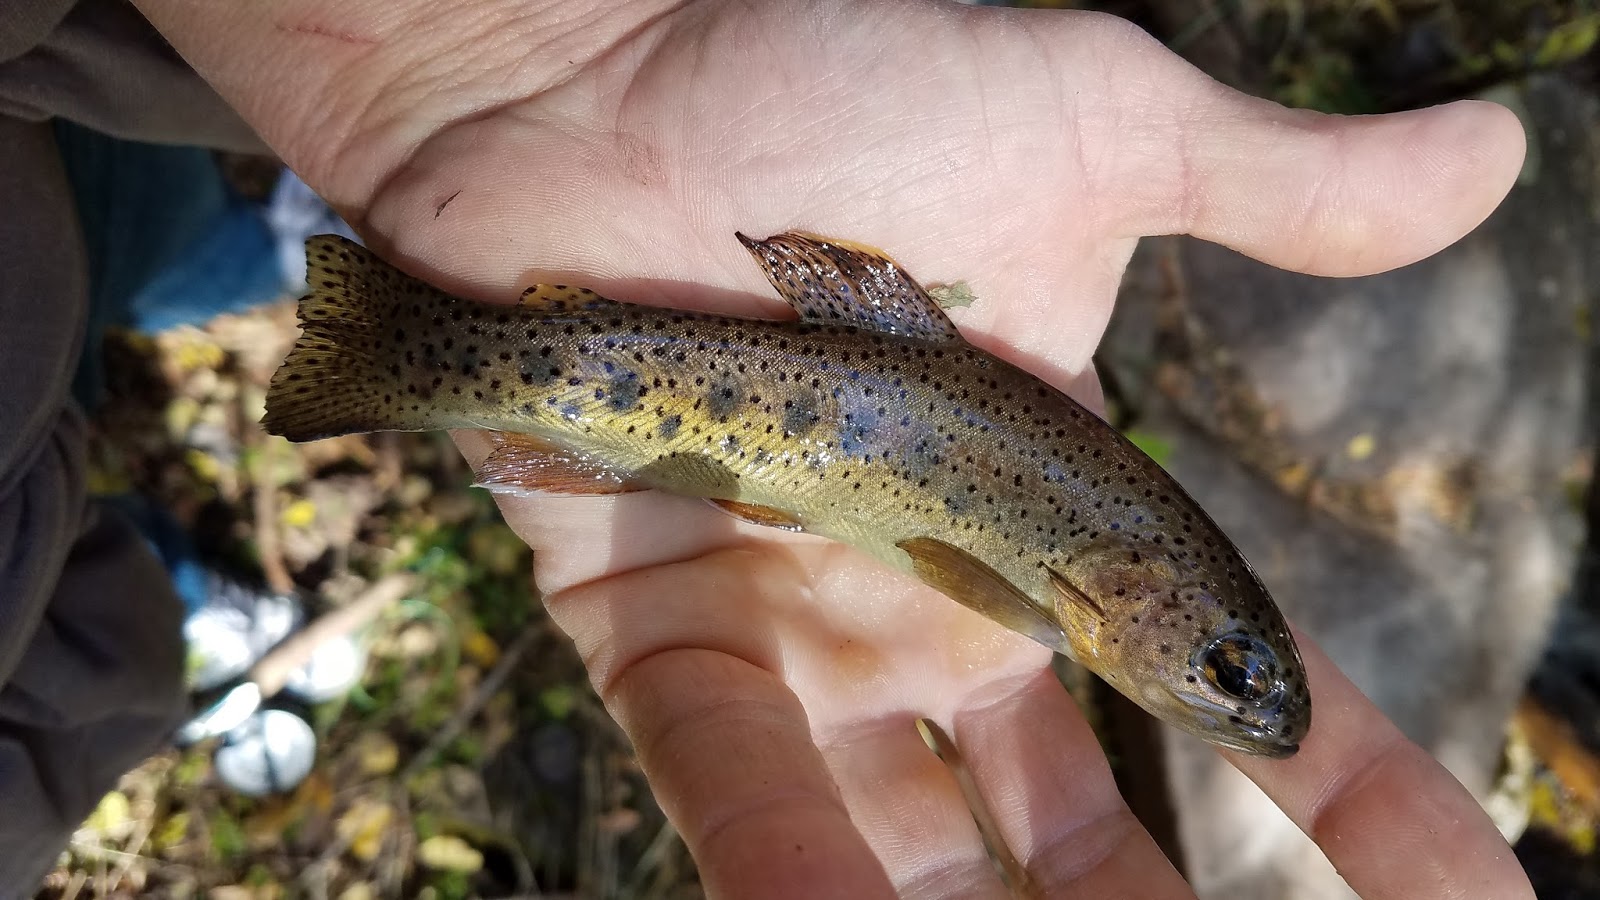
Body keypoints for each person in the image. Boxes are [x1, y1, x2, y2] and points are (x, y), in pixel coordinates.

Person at [0, 0, 1535, 897]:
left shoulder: (1092, 582)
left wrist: (440, 50)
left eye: (1226, 683)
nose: (1223, 701)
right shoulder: (1078, 583)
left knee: (119, 229)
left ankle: (270, 242)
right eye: (1220, 672)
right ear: (1140, 600)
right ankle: (303, 261)